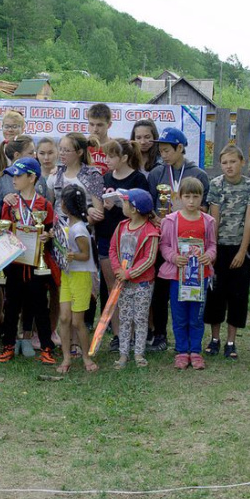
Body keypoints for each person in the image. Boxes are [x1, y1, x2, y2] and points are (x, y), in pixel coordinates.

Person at [146, 127, 210, 352]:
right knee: (161, 290)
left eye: (166, 150)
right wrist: (156, 219)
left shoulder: (198, 174)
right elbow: (150, 206)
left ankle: (191, 343)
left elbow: (205, 207)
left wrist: (187, 208)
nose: (163, 155)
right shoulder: (156, 174)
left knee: (189, 291)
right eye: (160, 150)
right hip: (163, 239)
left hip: (190, 243)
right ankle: (161, 335)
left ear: (180, 148)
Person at [0, 158, 58, 364]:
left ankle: (47, 347)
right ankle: (8, 346)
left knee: (40, 306)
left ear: (32, 178)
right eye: (13, 175)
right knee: (11, 305)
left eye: (19, 175)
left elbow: (50, 229)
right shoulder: (10, 202)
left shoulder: (44, 204)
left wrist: (47, 236)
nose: (14, 179)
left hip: (36, 264)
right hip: (14, 263)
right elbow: (3, 229)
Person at [204, 144, 250, 360]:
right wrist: (213, 248)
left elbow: (249, 220)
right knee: (216, 294)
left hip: (240, 248)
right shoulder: (216, 184)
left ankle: (231, 341)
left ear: (242, 162)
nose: (229, 166)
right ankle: (215, 339)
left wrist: (243, 250)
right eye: (224, 162)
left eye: (233, 161)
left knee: (237, 296)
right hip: (219, 248)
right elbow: (214, 219)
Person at [159, 177, 216, 369]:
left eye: (196, 196)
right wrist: (174, 258)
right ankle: (182, 351)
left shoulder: (208, 221)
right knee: (179, 315)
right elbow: (164, 245)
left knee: (197, 316)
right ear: (179, 197)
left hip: (200, 277)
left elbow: (212, 245)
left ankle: (196, 351)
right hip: (178, 277)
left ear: (202, 198)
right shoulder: (170, 221)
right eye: (187, 196)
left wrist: (208, 256)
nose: (191, 201)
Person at [99, 139, 149, 350]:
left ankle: (137, 336)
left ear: (125, 158)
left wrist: (117, 209)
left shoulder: (138, 179)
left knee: (134, 289)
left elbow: (143, 211)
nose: (107, 160)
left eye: (111, 156)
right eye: (106, 155)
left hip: (131, 241)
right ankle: (119, 335)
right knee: (114, 289)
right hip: (106, 239)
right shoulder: (105, 178)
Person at [109, 189, 161, 369]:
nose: (122, 206)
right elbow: (113, 250)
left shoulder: (150, 231)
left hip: (142, 284)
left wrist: (129, 274)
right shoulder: (121, 226)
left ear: (133, 209)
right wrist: (117, 270)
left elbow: (149, 259)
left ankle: (139, 353)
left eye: (124, 202)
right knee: (124, 318)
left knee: (139, 318)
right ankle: (123, 354)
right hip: (123, 282)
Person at [55, 187, 99, 373]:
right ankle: (66, 357)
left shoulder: (79, 229)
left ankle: (86, 357)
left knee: (77, 321)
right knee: (64, 318)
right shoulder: (68, 224)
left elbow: (86, 255)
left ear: (66, 205)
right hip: (68, 274)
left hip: (80, 276)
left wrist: (72, 255)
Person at [86, 103, 114, 174]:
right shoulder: (82, 146)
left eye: (100, 125)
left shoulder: (115, 147)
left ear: (109, 125)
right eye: (91, 124)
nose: (95, 129)